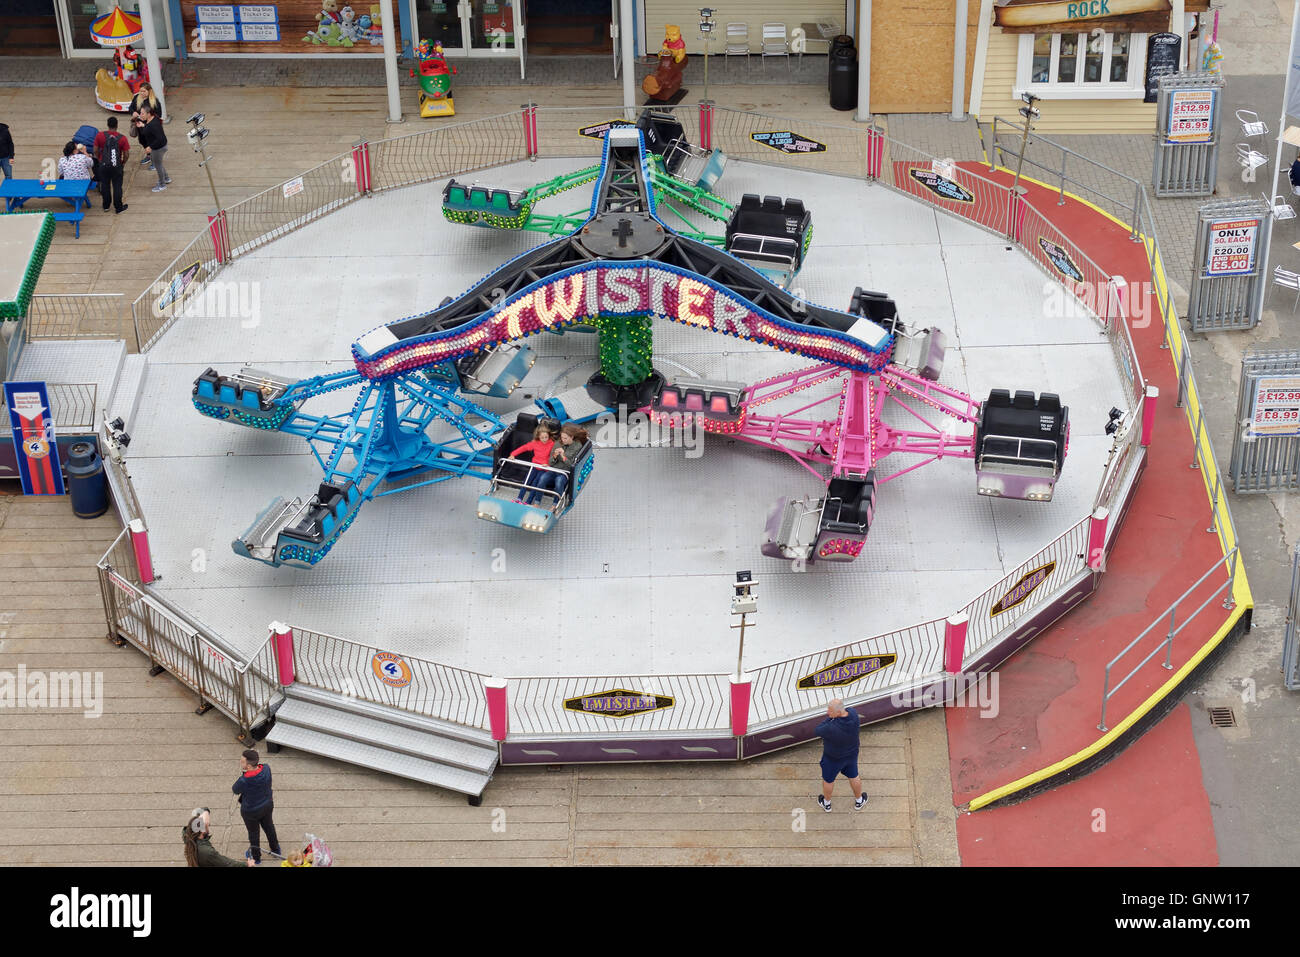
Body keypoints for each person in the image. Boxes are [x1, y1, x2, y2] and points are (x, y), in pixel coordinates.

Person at [814, 698, 867, 812]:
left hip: (833, 758)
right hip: (852, 755)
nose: (827, 713)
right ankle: (859, 800)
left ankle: (827, 804)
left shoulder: (830, 728)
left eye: (830, 711)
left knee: (828, 780)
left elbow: (817, 730)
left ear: (838, 713)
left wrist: (830, 719)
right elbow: (847, 710)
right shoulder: (853, 714)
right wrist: (833, 716)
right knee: (854, 776)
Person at [232, 748, 280, 864]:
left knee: (253, 834)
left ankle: (256, 858)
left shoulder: (244, 780)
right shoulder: (267, 768)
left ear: (248, 766)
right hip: (267, 804)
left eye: (242, 761)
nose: (240, 762)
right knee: (269, 827)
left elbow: (235, 790)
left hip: (250, 811)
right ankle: (276, 850)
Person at [183, 808, 256, 867]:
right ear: (202, 831)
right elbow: (228, 864)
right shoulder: (207, 852)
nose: (209, 827)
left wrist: (205, 812)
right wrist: (247, 864)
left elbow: (203, 810)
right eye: (208, 826)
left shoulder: (188, 835)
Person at [509, 423, 556, 505]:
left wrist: (548, 464)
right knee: (526, 481)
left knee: (535, 483)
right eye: (542, 438)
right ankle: (519, 498)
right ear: (538, 437)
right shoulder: (535, 443)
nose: (544, 439)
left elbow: (553, 456)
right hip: (534, 466)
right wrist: (513, 454)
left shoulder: (552, 444)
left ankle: (528, 501)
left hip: (543, 468)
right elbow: (523, 448)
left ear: (549, 436)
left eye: (546, 437)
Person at [539, 423, 588, 500]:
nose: (563, 440)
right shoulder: (558, 443)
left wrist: (563, 456)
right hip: (554, 469)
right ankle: (537, 502)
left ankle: (555, 504)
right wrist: (555, 456)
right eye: (562, 438)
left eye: (565, 438)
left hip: (565, 472)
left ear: (571, 437)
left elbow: (572, 465)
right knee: (542, 478)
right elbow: (550, 463)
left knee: (559, 481)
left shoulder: (577, 446)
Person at [93, 117, 129, 214]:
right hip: (117, 166)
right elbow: (126, 154)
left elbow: (95, 150)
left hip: (103, 165)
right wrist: (122, 163)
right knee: (117, 186)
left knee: (105, 185)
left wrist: (100, 158)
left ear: (107, 125)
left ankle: (106, 206)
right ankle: (118, 207)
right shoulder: (122, 138)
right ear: (117, 125)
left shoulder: (100, 135)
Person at [137, 104, 170, 192]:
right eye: (140, 113)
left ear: (149, 114)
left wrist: (150, 147)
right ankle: (166, 178)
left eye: (142, 113)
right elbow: (148, 129)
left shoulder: (153, 124)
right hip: (160, 146)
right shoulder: (151, 120)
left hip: (158, 148)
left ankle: (162, 184)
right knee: (158, 163)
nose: (140, 115)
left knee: (157, 165)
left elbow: (160, 138)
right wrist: (142, 126)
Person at [128, 82, 159, 163]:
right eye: (140, 91)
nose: (142, 93)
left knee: (152, 142)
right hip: (139, 125)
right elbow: (131, 107)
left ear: (149, 91)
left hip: (150, 126)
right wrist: (133, 113)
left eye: (144, 91)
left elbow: (159, 114)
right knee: (142, 140)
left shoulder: (154, 101)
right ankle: (149, 156)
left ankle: (155, 160)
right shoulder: (136, 98)